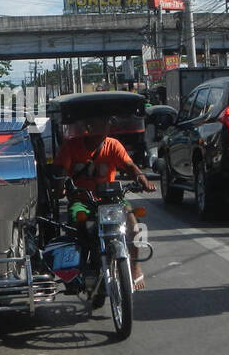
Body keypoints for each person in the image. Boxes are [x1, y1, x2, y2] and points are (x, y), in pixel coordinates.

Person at [53, 116, 154, 288]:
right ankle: (77, 268)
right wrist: (59, 187)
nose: (106, 127)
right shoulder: (71, 146)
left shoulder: (113, 145)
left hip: (111, 199)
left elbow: (130, 166)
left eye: (107, 123)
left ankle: (135, 267)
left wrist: (143, 180)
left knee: (135, 227)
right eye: (101, 123)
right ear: (89, 126)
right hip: (83, 200)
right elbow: (61, 171)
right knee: (76, 225)